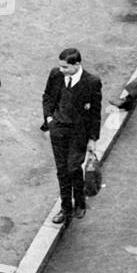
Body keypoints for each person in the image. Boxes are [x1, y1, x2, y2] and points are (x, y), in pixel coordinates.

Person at [41, 47, 101, 224]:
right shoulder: (56, 75)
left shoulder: (91, 82)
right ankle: (65, 208)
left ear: (77, 65)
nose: (62, 70)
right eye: (60, 66)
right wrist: (50, 119)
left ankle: (80, 203)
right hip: (58, 129)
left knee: (73, 168)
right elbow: (47, 97)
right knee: (62, 171)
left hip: (78, 133)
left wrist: (93, 139)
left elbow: (95, 113)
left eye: (65, 67)